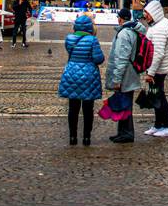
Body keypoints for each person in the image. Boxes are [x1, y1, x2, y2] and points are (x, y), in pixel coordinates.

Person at [57, 14, 105, 146]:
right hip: (89, 76)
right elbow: (99, 59)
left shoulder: (69, 39)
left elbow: (70, 52)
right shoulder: (92, 40)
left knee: (73, 107)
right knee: (88, 109)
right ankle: (86, 137)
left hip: (72, 74)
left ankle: (72, 137)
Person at [103, 8, 147, 144]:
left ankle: (127, 133)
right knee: (123, 103)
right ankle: (122, 132)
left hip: (125, 75)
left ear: (120, 19)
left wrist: (116, 79)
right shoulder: (133, 31)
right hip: (131, 73)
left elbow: (121, 58)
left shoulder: (124, 34)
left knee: (125, 104)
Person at [142, 0, 168, 137]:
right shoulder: (158, 24)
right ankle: (158, 124)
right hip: (156, 69)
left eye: (147, 13)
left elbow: (158, 53)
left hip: (158, 70)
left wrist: (151, 73)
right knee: (155, 96)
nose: (145, 16)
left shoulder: (160, 28)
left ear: (154, 13)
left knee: (159, 96)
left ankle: (167, 125)